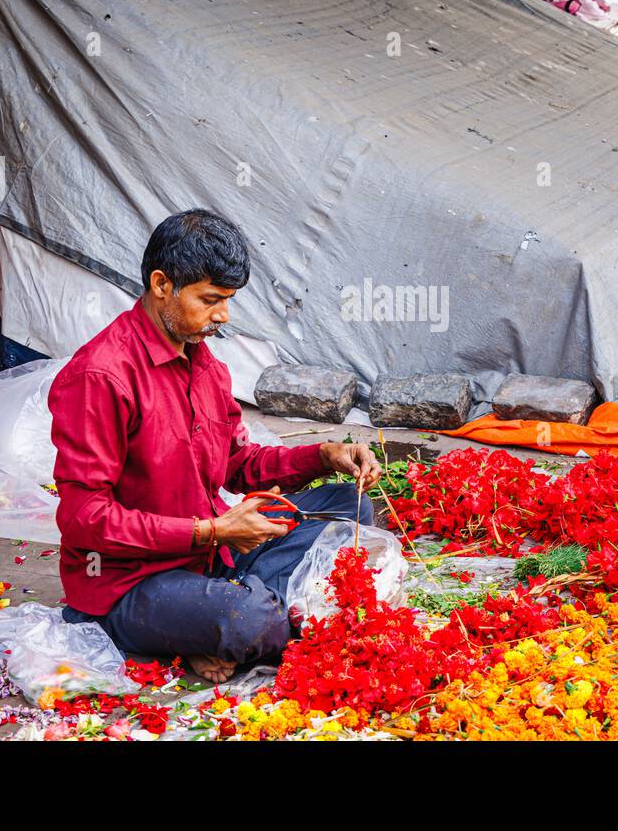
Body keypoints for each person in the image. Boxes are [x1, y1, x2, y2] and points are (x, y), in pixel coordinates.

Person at [50, 209, 380, 683]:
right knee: (247, 620)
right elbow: (84, 520)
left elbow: (238, 465)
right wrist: (209, 531)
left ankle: (215, 622)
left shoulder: (204, 364)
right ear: (162, 284)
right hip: (129, 581)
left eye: (228, 300)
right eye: (210, 300)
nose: (223, 315)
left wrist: (321, 456)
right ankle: (221, 622)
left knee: (350, 506)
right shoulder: (101, 376)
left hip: (209, 556)